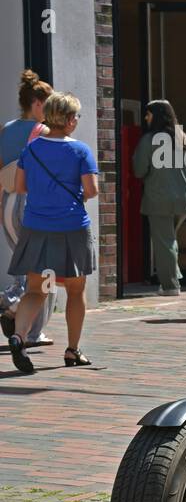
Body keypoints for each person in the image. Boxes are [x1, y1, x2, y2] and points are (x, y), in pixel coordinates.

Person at [5, 92, 98, 373]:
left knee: (38, 289)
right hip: (71, 229)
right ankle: (72, 350)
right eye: (77, 116)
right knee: (74, 288)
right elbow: (91, 191)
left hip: (37, 228)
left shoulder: (30, 150)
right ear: (69, 120)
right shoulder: (80, 151)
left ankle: (19, 335)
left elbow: (20, 187)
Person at [0, 70, 56, 347]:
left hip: (8, 204)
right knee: (46, 270)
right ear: (36, 103)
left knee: (26, 267)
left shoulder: (6, 129)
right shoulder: (42, 132)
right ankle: (27, 324)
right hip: (32, 204)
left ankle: (13, 304)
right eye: (47, 104)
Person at [132, 100, 186, 295]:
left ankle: (170, 286)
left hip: (159, 198)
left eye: (149, 114)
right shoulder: (184, 139)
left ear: (157, 116)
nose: (146, 118)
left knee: (164, 243)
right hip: (184, 198)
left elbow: (139, 170)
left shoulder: (149, 140)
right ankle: (173, 278)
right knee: (170, 240)